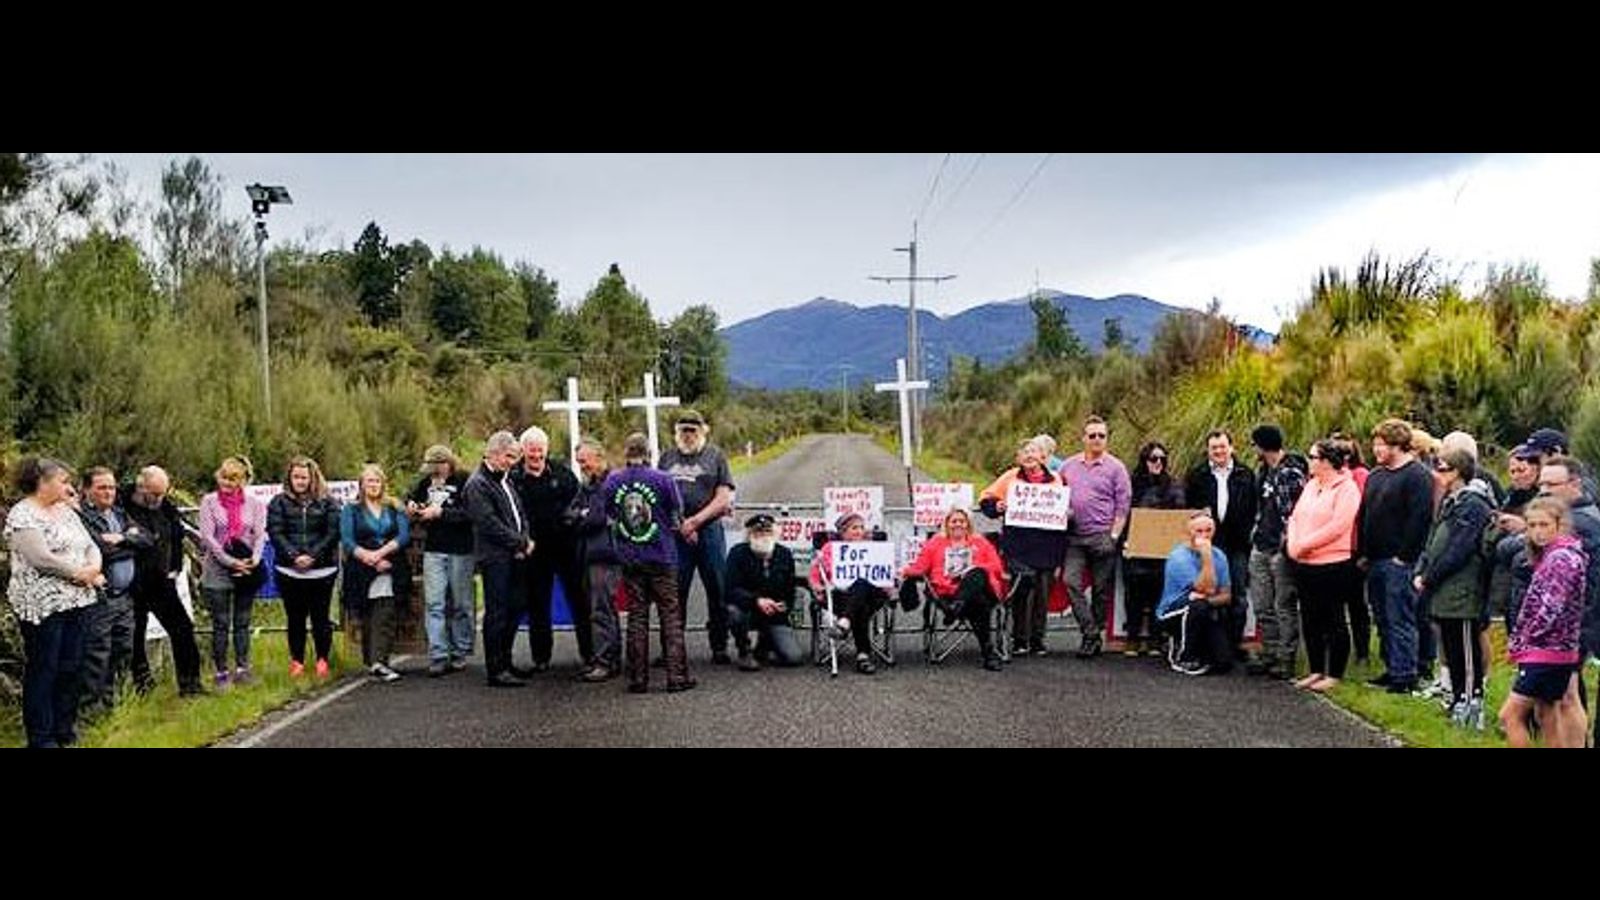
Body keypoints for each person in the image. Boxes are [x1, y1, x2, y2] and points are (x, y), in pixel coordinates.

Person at [4, 458, 103, 747]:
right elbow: (41, 559)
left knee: (71, 666)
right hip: (43, 605)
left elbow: (90, 545)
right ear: (42, 482)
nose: (68, 487)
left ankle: (65, 730)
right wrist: (79, 573)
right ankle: (41, 737)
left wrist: (93, 568)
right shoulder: (23, 515)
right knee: (44, 668)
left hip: (77, 600)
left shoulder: (65, 512)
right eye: (63, 481)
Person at [1499, 496, 1589, 747]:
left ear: (1559, 525)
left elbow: (1550, 608)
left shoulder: (1560, 559)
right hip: (1557, 650)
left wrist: (1524, 640)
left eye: (1544, 525)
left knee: (1509, 716)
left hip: (1546, 650)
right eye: (1532, 525)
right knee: (1546, 713)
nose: (1537, 532)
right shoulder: (1557, 555)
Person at [1413, 448, 1494, 728]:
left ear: (1458, 471)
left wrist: (1430, 576)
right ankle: (1458, 696)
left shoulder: (1473, 503)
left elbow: (1460, 548)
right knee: (1450, 644)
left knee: (1465, 647)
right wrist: (1422, 569)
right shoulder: (1451, 500)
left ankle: (1472, 701)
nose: (1438, 473)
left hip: (1462, 588)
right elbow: (1434, 537)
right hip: (1444, 588)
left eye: (1444, 468)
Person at [607, 432, 694, 693]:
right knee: (670, 615)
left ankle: (637, 678)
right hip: (661, 555)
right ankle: (676, 677)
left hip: (631, 556)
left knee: (637, 616)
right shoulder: (664, 480)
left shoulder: (613, 481)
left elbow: (610, 515)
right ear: (649, 453)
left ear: (626, 452)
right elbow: (677, 513)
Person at [1355, 419, 1435, 693]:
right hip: (1375, 558)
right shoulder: (1376, 476)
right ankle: (1391, 667)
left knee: (1400, 616)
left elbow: (1420, 519)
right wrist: (1363, 551)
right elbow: (1365, 514)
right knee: (1382, 617)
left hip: (1399, 559)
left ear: (1398, 445)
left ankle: (1406, 673)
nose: (1376, 449)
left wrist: (1405, 556)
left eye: (1382, 444)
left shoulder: (1417, 476)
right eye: (1375, 444)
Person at [659, 408, 736, 664]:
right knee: (674, 591)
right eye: (684, 430)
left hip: (709, 530)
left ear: (703, 431)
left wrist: (696, 521)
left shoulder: (716, 456)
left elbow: (724, 497)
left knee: (717, 588)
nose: (688, 435)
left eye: (693, 430)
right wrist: (681, 524)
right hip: (676, 533)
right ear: (676, 432)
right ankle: (672, 648)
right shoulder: (666, 458)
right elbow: (658, 497)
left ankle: (719, 646)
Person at [1286, 439, 1362, 692]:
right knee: (1310, 617)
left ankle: (1334, 672)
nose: (1309, 461)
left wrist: (1306, 544)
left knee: (1333, 618)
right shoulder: (1311, 485)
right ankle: (1315, 669)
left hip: (1333, 563)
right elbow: (1296, 516)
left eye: (1313, 457)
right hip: (1304, 562)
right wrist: (1293, 544)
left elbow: (1339, 525)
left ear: (1327, 461)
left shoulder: (1347, 488)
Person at [979, 436, 1067, 657]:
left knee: (1043, 594)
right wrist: (997, 506)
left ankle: (1038, 639)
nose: (1029, 455)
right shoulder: (1010, 477)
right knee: (1022, 589)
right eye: (1025, 452)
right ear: (1018, 458)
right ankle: (1019, 638)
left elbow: (1065, 510)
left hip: (1048, 545)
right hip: (1018, 545)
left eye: (1034, 451)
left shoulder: (1056, 479)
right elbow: (986, 500)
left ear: (1043, 456)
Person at [512, 426, 590, 673]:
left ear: (547, 450)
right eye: (531, 451)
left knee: (579, 599)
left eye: (540, 451)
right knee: (537, 604)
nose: (536, 456)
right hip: (534, 550)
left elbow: (580, 504)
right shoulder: (513, 478)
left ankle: (589, 654)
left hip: (566, 547)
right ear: (523, 451)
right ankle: (541, 657)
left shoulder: (563, 474)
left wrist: (572, 522)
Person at [120, 466, 203, 696]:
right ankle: (143, 686)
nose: (158, 499)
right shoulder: (121, 505)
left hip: (161, 581)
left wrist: (175, 567)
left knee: (183, 629)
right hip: (131, 582)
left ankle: (191, 685)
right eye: (153, 494)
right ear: (141, 487)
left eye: (162, 494)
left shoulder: (166, 508)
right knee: (136, 636)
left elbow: (177, 536)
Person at [463, 432, 535, 688]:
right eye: (509, 457)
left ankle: (506, 659)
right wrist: (519, 542)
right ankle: (496, 668)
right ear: (494, 453)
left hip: (515, 555)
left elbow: (519, 512)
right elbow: (488, 523)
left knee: (516, 607)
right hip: (495, 557)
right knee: (497, 612)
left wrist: (524, 538)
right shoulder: (478, 484)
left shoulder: (505, 480)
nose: (512, 462)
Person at [900, 506, 1008, 671]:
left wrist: (971, 568)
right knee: (979, 604)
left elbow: (996, 567)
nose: (958, 524)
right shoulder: (935, 543)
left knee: (976, 573)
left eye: (962, 521)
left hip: (982, 588)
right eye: (954, 521)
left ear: (968, 524)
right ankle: (988, 653)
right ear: (947, 524)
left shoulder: (980, 542)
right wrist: (905, 571)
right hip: (949, 592)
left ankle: (956, 608)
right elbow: (920, 567)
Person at [1059, 415, 1132, 658]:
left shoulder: (1116, 468)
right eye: (1092, 435)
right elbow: (1056, 496)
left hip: (1103, 536)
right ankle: (1090, 632)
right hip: (1075, 538)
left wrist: (1113, 536)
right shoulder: (1067, 466)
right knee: (1070, 581)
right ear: (1084, 438)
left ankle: (1096, 632)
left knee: (1101, 589)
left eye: (1102, 435)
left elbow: (1123, 506)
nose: (1097, 439)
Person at [1183, 429, 1257, 659]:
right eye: (1214, 447)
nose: (1218, 451)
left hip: (1237, 545)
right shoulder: (1197, 475)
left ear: (1231, 447)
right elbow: (1190, 510)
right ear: (1208, 450)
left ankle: (1234, 645)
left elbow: (1254, 509)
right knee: (1208, 594)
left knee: (1238, 596)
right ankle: (1212, 646)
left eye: (1222, 446)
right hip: (1208, 545)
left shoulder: (1246, 474)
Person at [267, 456, 342, 680]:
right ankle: (297, 661)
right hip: (289, 571)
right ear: (289, 478)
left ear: (313, 478)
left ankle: (322, 659)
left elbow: (332, 532)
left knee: (321, 617)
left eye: (304, 477)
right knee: (295, 618)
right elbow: (275, 531)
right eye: (296, 477)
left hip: (322, 570)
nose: (300, 481)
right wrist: (293, 555)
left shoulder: (328, 502)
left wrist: (312, 555)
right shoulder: (278, 502)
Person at [75, 467, 142, 717]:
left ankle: (110, 705)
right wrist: (129, 541)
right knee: (96, 656)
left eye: (112, 487)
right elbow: (100, 549)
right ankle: (90, 713)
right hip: (100, 599)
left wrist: (122, 540)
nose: (108, 492)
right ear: (87, 489)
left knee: (122, 650)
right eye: (102, 487)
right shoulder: (82, 517)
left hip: (125, 597)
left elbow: (146, 539)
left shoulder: (119, 513)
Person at [406, 445, 476, 677]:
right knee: (434, 602)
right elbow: (412, 500)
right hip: (433, 549)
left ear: (448, 464)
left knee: (460, 603)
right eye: (431, 470)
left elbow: (471, 514)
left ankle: (460, 650)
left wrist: (442, 514)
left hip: (461, 549)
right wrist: (414, 508)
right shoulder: (424, 483)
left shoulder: (466, 481)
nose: (434, 474)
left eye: (438, 469)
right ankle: (438, 653)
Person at [197, 456, 267, 688]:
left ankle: (243, 668)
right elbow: (208, 537)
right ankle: (220, 672)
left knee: (242, 621)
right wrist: (229, 562)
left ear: (243, 481)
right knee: (221, 622)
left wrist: (254, 560)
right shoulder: (209, 502)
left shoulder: (255, 505)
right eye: (224, 477)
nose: (226, 483)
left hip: (246, 567)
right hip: (218, 568)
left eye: (233, 479)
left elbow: (259, 535)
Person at [1246, 425, 1308, 679]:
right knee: (1262, 604)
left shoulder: (1290, 472)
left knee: (1284, 603)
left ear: (1262, 446)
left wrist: (1288, 542)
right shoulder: (1265, 472)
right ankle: (1269, 651)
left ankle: (1286, 656)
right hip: (1261, 542)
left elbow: (1294, 511)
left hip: (1281, 547)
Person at [340, 463, 410, 683]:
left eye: (376, 481)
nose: (373, 485)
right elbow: (348, 539)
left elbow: (403, 535)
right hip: (361, 567)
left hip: (391, 565)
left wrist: (381, 553)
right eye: (369, 481)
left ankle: (380, 660)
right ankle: (372, 661)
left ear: (383, 483)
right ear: (361, 484)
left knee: (386, 612)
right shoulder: (351, 509)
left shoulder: (394, 507)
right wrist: (368, 557)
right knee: (367, 613)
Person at [809, 512, 896, 675]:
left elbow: (888, 573)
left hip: (873, 594)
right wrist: (817, 587)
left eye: (862, 527)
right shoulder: (829, 549)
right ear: (843, 532)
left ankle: (844, 623)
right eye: (854, 527)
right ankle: (863, 656)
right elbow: (814, 574)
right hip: (839, 595)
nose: (859, 531)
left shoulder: (874, 548)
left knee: (861, 583)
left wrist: (890, 583)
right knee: (859, 606)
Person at [1122, 441, 1185, 657]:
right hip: (1135, 549)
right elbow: (1123, 513)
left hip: (1162, 551)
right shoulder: (1132, 485)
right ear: (1144, 460)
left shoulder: (1174, 486)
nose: (1158, 463)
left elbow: (1179, 515)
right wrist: (1124, 540)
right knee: (1134, 596)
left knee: (1159, 594)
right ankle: (1132, 637)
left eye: (1162, 459)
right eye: (1153, 459)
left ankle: (1156, 639)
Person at [1155, 511, 1232, 676]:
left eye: (1208, 530)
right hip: (1172, 612)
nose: (1204, 535)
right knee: (1198, 606)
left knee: (1222, 663)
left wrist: (1208, 600)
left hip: (1203, 610)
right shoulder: (1179, 557)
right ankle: (1183, 656)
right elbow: (1208, 588)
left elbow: (1226, 595)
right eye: (1199, 531)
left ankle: (1199, 648)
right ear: (1189, 533)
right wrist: (1206, 557)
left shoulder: (1220, 556)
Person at [572, 439, 624, 682]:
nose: (581, 466)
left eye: (584, 460)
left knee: (602, 610)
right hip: (589, 554)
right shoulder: (587, 485)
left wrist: (583, 516)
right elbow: (570, 514)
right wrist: (582, 516)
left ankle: (605, 661)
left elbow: (595, 517)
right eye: (579, 461)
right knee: (601, 609)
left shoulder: (610, 483)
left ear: (598, 457)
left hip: (606, 555)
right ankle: (608, 658)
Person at [724, 514, 805, 670]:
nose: (763, 536)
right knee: (733, 612)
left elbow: (790, 588)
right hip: (747, 609)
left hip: (774, 614)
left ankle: (765, 643)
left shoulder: (784, 554)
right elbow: (730, 589)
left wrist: (784, 605)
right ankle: (744, 651)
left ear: (775, 534)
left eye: (767, 533)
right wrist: (757, 601)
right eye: (758, 533)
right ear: (749, 535)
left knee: (793, 658)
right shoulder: (737, 553)